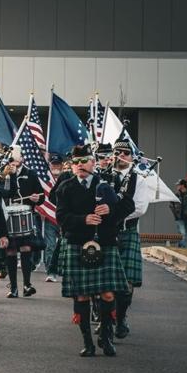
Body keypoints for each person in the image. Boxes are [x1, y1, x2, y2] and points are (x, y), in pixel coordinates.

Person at [55, 145, 131, 357]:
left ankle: (106, 337)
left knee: (107, 294)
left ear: (93, 162)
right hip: (77, 243)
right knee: (82, 297)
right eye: (77, 161)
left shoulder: (105, 185)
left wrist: (111, 209)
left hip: (104, 242)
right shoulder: (65, 187)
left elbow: (128, 206)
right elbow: (61, 217)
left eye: (85, 160)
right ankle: (87, 342)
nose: (80, 165)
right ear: (72, 165)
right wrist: (83, 219)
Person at [0, 146, 44, 298]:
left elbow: (41, 195)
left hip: (26, 215)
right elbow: (3, 193)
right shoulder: (3, 173)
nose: (14, 161)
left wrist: (37, 198)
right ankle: (13, 287)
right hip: (7, 214)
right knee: (10, 251)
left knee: (26, 248)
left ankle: (27, 284)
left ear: (22, 159)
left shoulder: (30, 173)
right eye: (11, 158)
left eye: (16, 158)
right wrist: (8, 175)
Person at [111, 140, 140, 339]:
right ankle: (106, 318)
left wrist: (113, 213)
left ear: (131, 157)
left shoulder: (140, 178)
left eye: (125, 153)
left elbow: (140, 207)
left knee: (126, 282)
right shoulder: (103, 175)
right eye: (117, 152)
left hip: (127, 230)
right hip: (106, 233)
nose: (120, 155)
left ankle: (121, 318)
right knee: (105, 282)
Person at [43, 153, 64, 282]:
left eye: (57, 164)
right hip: (49, 216)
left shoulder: (67, 177)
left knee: (62, 246)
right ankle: (50, 270)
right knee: (50, 245)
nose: (55, 166)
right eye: (53, 164)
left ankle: (61, 268)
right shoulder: (45, 179)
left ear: (61, 165)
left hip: (64, 217)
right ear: (49, 164)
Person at [170, 179, 187, 248]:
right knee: (183, 233)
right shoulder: (176, 195)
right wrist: (175, 215)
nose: (177, 186)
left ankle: (180, 247)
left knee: (186, 234)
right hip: (179, 218)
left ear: (183, 185)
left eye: (178, 185)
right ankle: (184, 248)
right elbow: (171, 205)